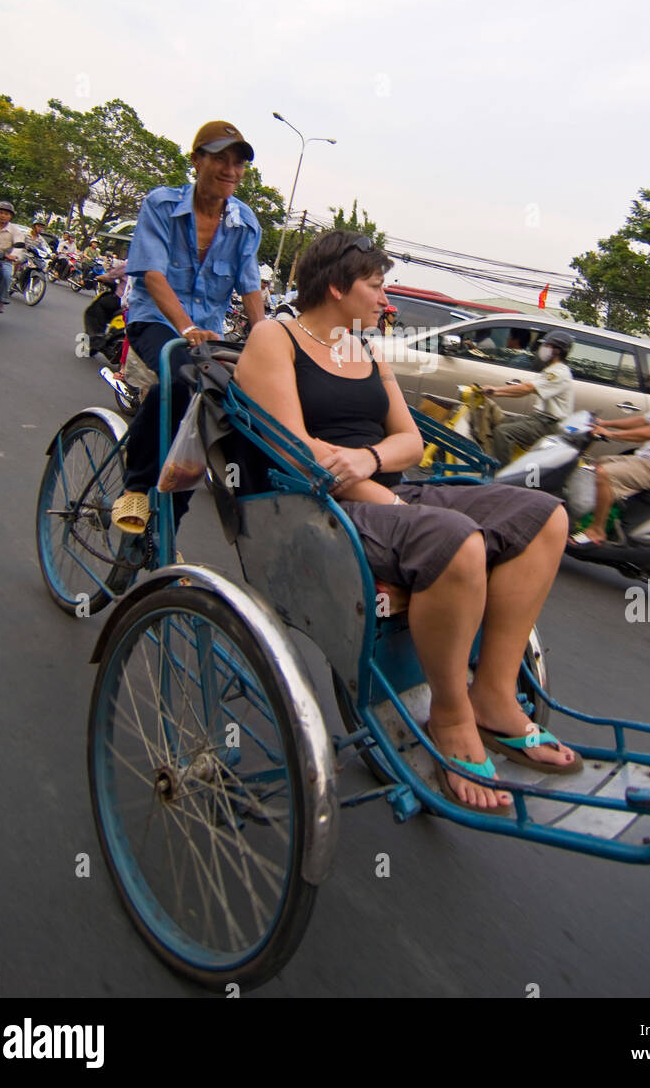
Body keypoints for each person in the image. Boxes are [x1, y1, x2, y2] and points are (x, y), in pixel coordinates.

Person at [232, 230, 580, 815]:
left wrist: (373, 462)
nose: (383, 298)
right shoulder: (277, 338)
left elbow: (411, 443)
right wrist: (389, 499)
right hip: (320, 507)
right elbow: (299, 451)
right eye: (375, 285)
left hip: (391, 490)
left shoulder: (366, 348)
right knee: (455, 541)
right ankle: (450, 713)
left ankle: (493, 696)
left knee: (545, 516)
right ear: (338, 286)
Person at [111, 120, 266, 537]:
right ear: (196, 160)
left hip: (208, 336)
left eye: (238, 163)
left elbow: (250, 286)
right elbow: (153, 276)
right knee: (180, 379)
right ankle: (137, 487)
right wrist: (187, 325)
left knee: (214, 420)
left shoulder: (245, 223)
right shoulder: (161, 205)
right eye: (220, 159)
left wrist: (270, 341)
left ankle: (167, 534)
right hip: (154, 321)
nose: (230, 170)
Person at [575, 354, 650, 545]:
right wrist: (605, 423)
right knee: (599, 463)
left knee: (605, 474)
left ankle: (597, 531)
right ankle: (609, 519)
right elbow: (643, 420)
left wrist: (610, 434)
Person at [478, 329, 576, 464]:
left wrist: (496, 390)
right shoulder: (551, 370)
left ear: (557, 351)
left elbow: (527, 389)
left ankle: (501, 475)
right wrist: (496, 393)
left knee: (503, 432)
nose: (543, 349)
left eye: (547, 346)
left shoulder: (559, 373)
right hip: (539, 419)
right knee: (501, 423)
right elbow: (524, 391)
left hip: (550, 424)